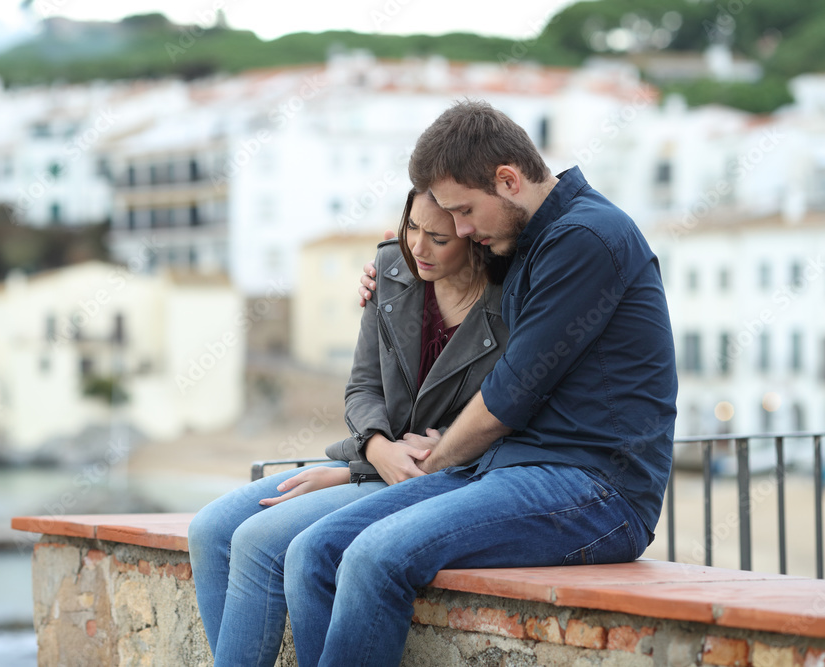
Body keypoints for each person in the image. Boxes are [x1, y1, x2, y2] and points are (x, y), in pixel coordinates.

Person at [282, 100, 678, 667]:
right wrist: (389, 279)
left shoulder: (588, 237)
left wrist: (432, 458)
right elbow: (446, 283)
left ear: (508, 179)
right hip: (505, 471)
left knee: (374, 557)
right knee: (315, 550)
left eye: (465, 211)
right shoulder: (523, 242)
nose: (461, 230)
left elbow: (505, 399)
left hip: (596, 490)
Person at [187, 188, 511, 667]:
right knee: (209, 529)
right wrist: (374, 450)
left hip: (444, 476)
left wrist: (354, 471)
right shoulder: (393, 269)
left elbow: (494, 421)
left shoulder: (510, 301)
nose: (418, 247)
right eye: (411, 227)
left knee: (259, 543)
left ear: (473, 235)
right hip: (374, 458)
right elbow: (361, 388)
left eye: (437, 238)